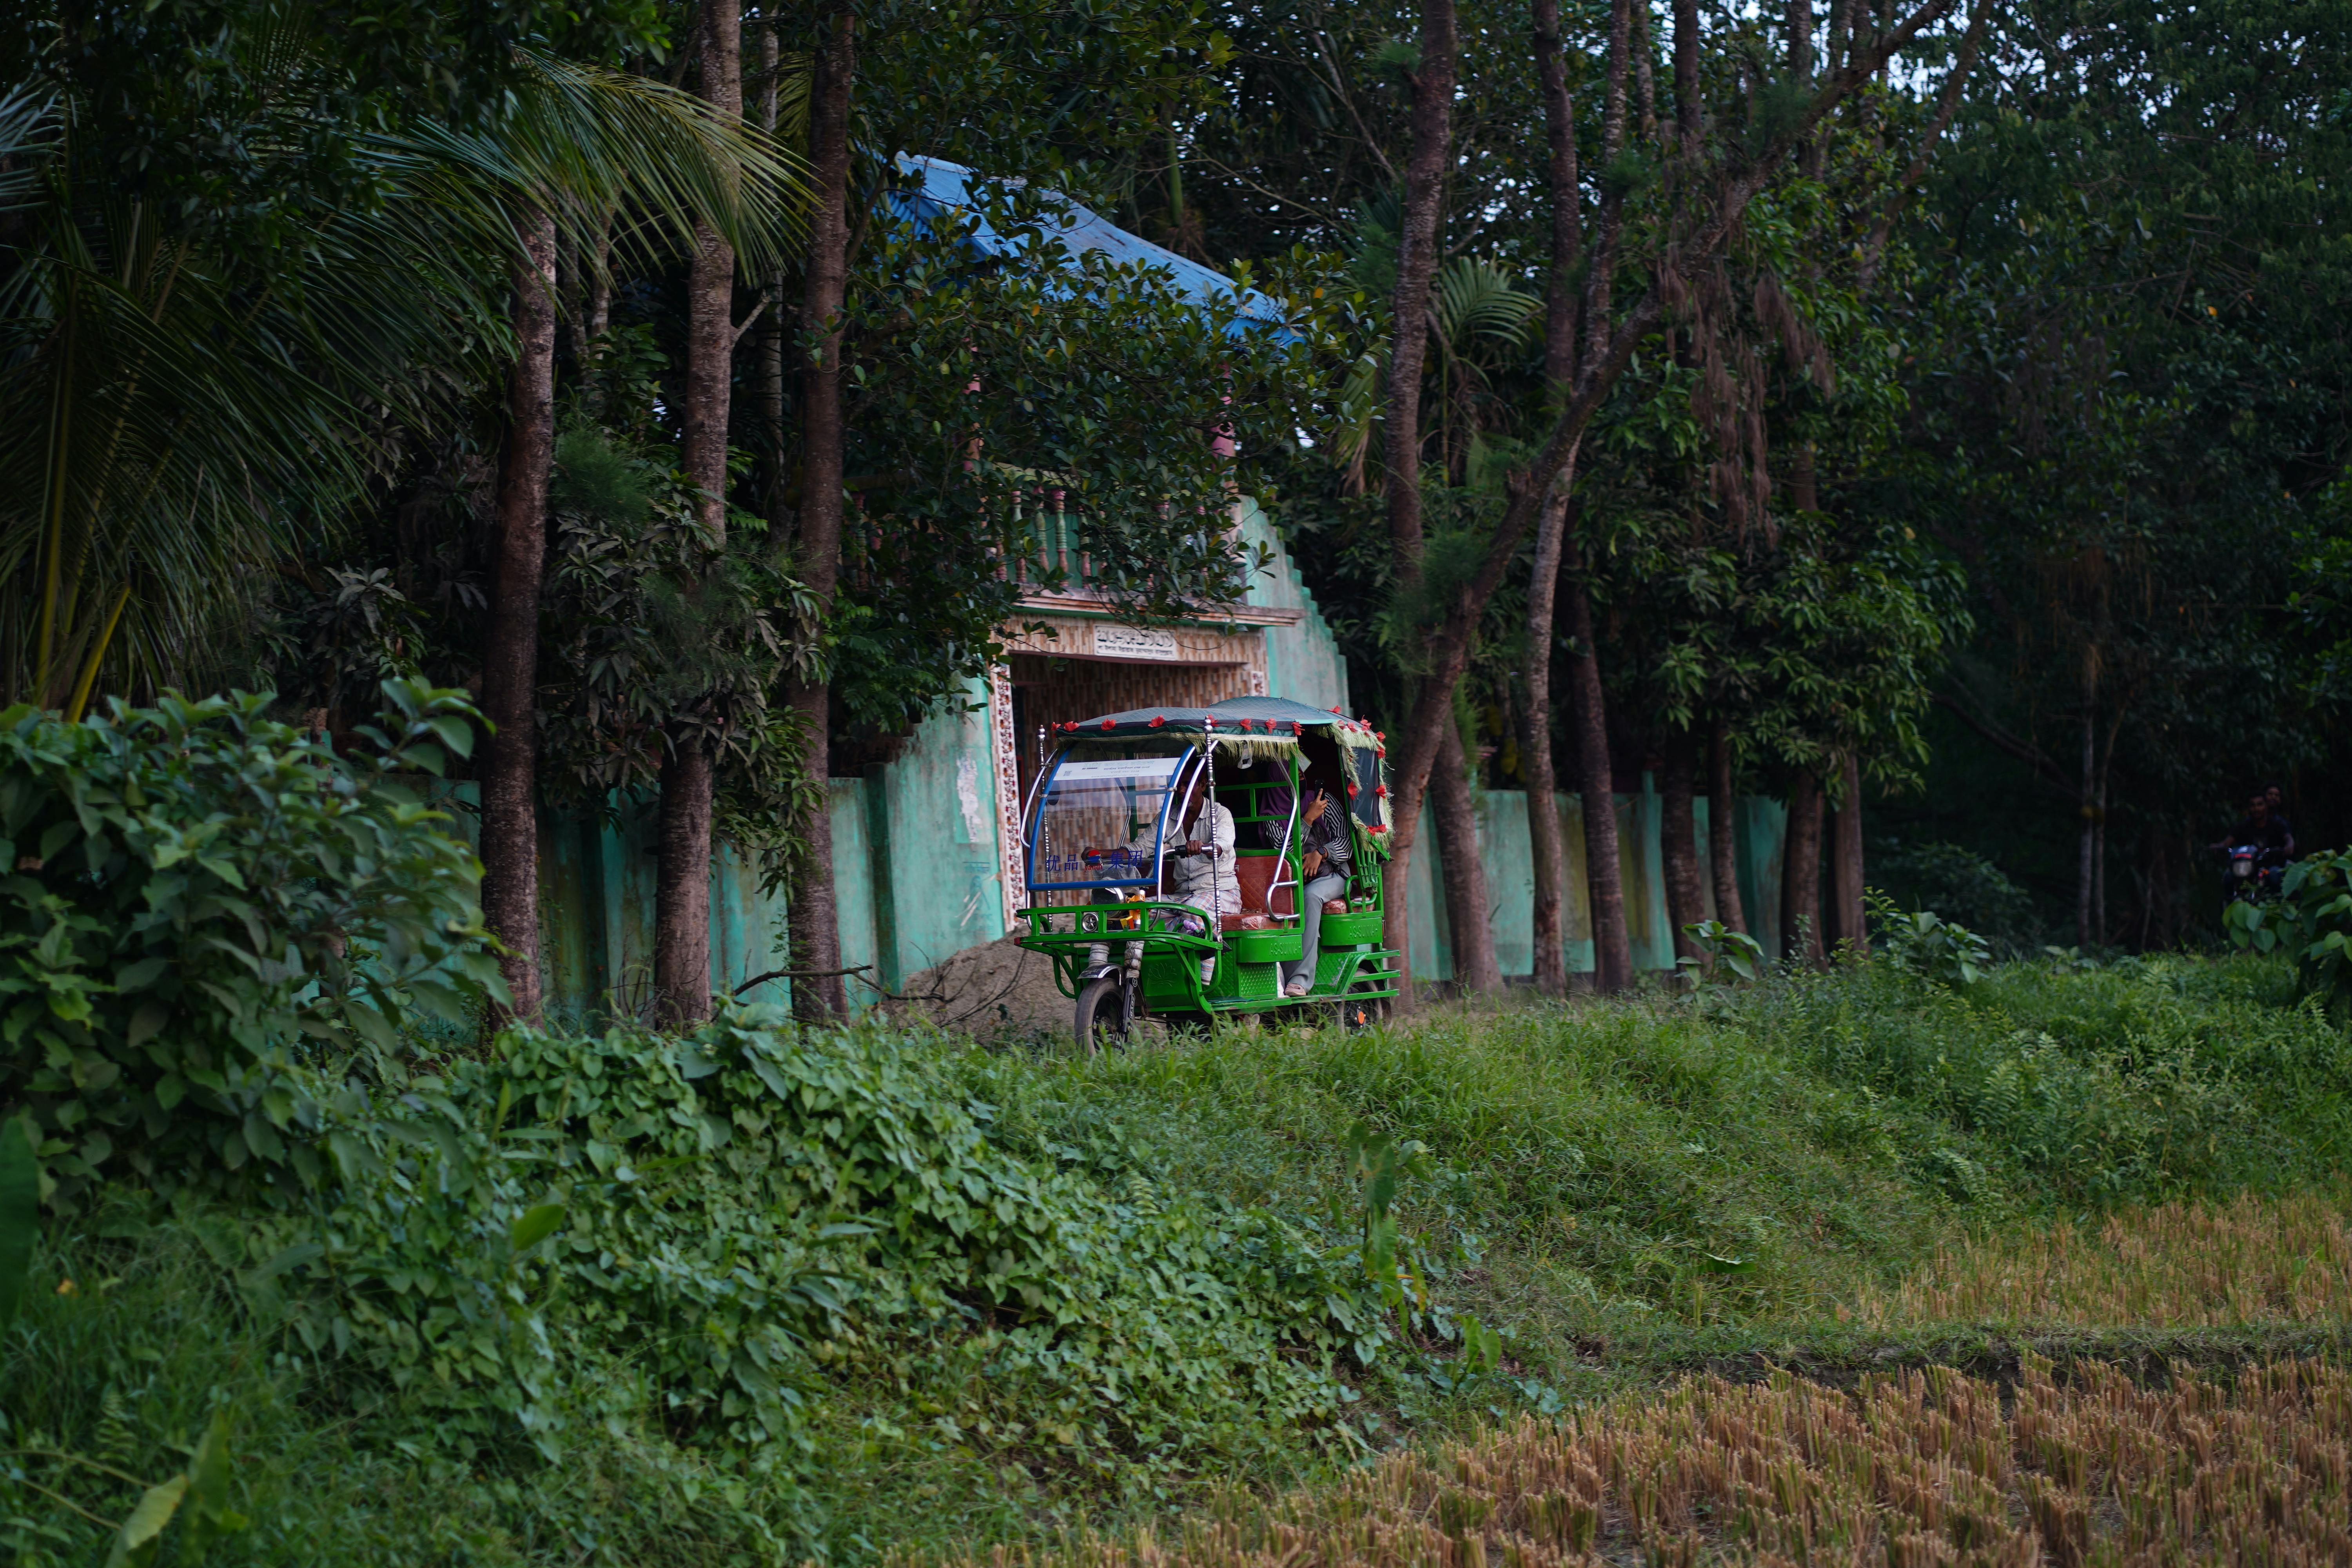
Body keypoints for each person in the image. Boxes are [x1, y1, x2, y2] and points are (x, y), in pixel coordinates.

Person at [1083, 769, 1236, 985]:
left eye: (1187, 785)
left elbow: (1223, 844)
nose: (1181, 791)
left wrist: (1205, 847)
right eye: (1177, 786)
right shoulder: (1168, 818)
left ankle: (1203, 987)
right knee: (1130, 909)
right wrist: (1102, 853)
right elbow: (1139, 850)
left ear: (1203, 785)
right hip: (1182, 895)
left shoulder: (1220, 814)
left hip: (1220, 891)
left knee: (1194, 914)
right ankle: (1102, 971)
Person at [1281, 777, 1354, 998]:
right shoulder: (1271, 811)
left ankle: (1301, 979)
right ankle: (1279, 976)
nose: (1300, 779)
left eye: (1302, 774)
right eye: (1294, 776)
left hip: (1333, 874)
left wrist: (1321, 853)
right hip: (1289, 877)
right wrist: (1308, 819)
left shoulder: (1325, 801)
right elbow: (1284, 851)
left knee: (1310, 897)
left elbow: (1346, 844)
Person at [2215, 790, 2293, 857]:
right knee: (2228, 874)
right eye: (2253, 805)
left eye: (2260, 805)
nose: (2256, 809)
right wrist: (2219, 846)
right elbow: (2227, 842)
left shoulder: (2277, 825)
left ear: (2266, 806)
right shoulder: (2242, 826)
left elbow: (2288, 838)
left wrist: (2289, 847)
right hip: (2246, 867)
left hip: (2272, 865)